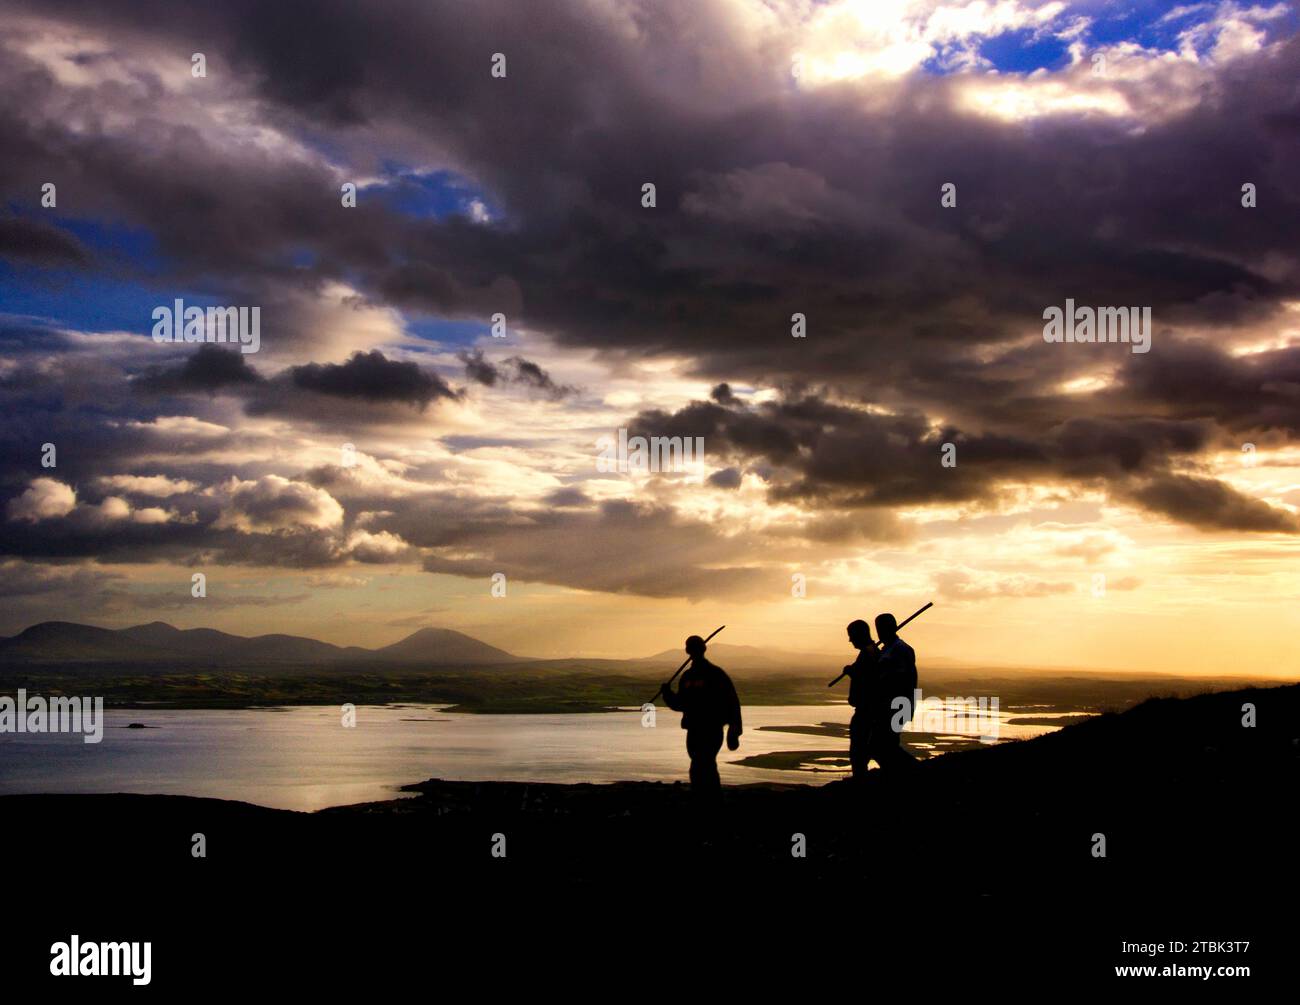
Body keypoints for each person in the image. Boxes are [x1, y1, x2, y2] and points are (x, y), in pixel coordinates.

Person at [660, 635, 742, 799]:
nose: (692, 650)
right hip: (694, 730)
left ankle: (709, 801)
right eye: (691, 647)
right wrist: (668, 694)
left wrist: (734, 730)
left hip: (711, 729)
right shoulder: (687, 677)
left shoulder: (714, 674)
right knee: (699, 765)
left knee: (703, 764)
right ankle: (705, 799)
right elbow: (680, 704)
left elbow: (732, 701)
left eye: (693, 647)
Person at [867, 612, 919, 772]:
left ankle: (915, 771)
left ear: (893, 627)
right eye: (878, 628)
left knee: (881, 745)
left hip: (897, 705)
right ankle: (899, 773)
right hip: (889, 705)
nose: (880, 631)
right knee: (882, 745)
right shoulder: (887, 649)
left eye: (883, 628)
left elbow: (900, 679)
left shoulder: (901, 649)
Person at [842, 619, 879, 781]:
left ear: (859, 635)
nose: (850, 640)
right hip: (867, 711)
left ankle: (861, 785)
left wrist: (853, 673)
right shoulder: (870, 652)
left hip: (866, 712)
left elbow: (870, 681)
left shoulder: (869, 654)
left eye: (852, 636)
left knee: (859, 752)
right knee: (863, 751)